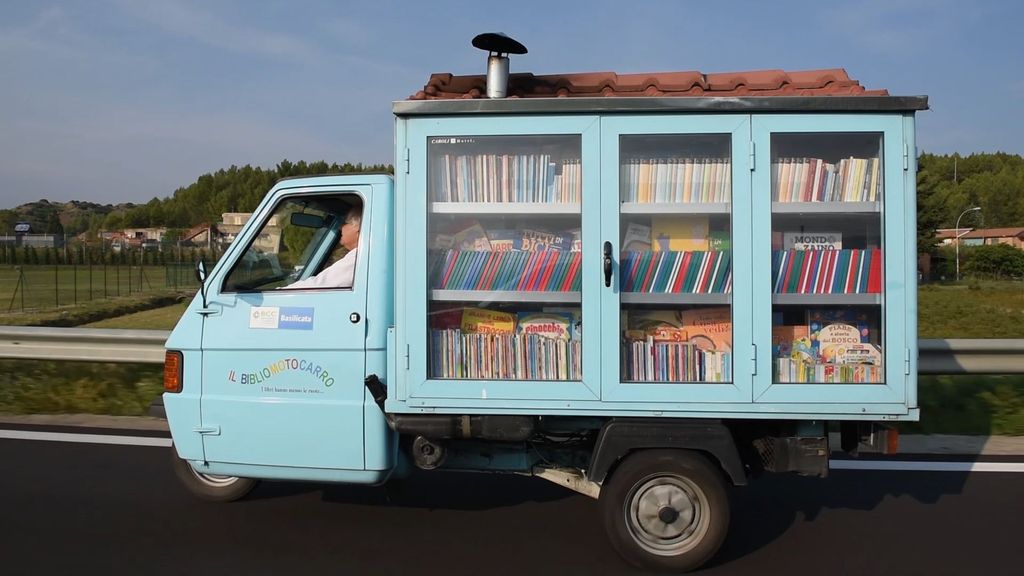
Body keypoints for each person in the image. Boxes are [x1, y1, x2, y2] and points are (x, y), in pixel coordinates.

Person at [285, 207, 361, 289]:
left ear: (358, 229)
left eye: (345, 222)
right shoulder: (360, 256)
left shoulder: (357, 258)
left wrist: (280, 291)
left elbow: (319, 285)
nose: (340, 227)